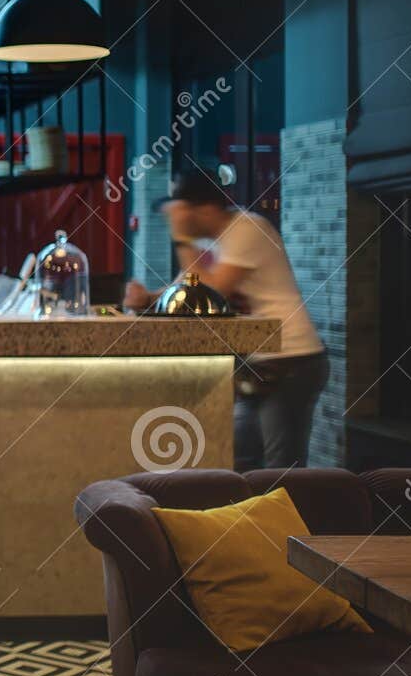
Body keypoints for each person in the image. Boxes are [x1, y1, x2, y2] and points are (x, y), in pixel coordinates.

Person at [125, 166, 327, 470]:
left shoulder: (247, 228)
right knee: (238, 459)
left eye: (181, 213)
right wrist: (147, 298)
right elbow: (185, 290)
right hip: (256, 363)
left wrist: (181, 239)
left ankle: (287, 517)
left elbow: (211, 289)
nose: (175, 221)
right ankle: (245, 517)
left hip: (291, 360)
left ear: (205, 209)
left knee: (280, 468)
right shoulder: (209, 242)